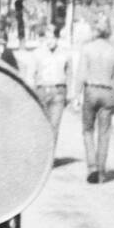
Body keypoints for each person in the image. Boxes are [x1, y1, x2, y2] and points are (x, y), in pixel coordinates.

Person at [72, 18, 114, 184]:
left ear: (95, 32)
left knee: (87, 130)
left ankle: (92, 166)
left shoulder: (87, 49)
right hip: (107, 92)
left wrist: (76, 95)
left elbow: (81, 74)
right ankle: (101, 171)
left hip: (91, 91)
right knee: (104, 133)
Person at [29, 26, 71, 154]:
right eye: (47, 37)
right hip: (41, 92)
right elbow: (31, 75)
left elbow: (69, 74)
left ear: (57, 38)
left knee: (54, 126)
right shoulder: (37, 53)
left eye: (52, 37)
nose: (50, 41)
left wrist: (70, 95)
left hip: (58, 92)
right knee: (40, 125)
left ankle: (50, 156)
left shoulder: (65, 53)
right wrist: (31, 94)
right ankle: (39, 155)